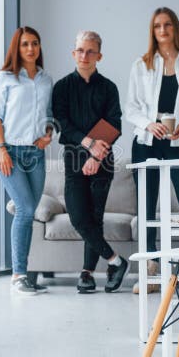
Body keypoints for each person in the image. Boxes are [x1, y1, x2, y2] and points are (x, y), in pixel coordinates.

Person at [125, 7, 179, 294]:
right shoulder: (141, 65)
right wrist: (150, 124)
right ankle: (150, 271)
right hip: (147, 143)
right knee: (147, 207)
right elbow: (132, 109)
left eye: (168, 25)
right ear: (152, 31)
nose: (162, 30)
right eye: (158, 26)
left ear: (175, 28)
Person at [52, 31, 129, 293]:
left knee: (94, 218)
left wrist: (96, 156)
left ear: (99, 55)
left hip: (103, 161)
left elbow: (114, 123)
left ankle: (86, 273)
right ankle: (116, 262)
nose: (84, 56)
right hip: (74, 159)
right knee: (78, 216)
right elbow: (63, 123)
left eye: (90, 51)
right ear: (74, 53)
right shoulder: (62, 87)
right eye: (80, 51)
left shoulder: (109, 88)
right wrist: (88, 146)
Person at [0, 26, 54, 295]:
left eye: (35, 43)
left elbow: (48, 114)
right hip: (11, 154)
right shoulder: (5, 78)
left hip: (36, 154)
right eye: (25, 44)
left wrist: (48, 133)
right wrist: (1, 148)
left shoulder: (45, 79)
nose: (31, 48)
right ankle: (18, 275)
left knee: (27, 211)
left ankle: (24, 273)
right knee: (27, 210)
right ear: (17, 48)